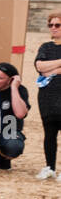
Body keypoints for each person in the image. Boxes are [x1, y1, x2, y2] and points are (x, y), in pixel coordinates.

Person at [35, 12, 61, 180]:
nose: (53, 28)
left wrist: (50, 69)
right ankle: (49, 166)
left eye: (57, 25)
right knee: (49, 134)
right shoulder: (45, 47)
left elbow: (46, 68)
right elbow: (39, 66)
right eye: (51, 25)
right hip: (47, 97)